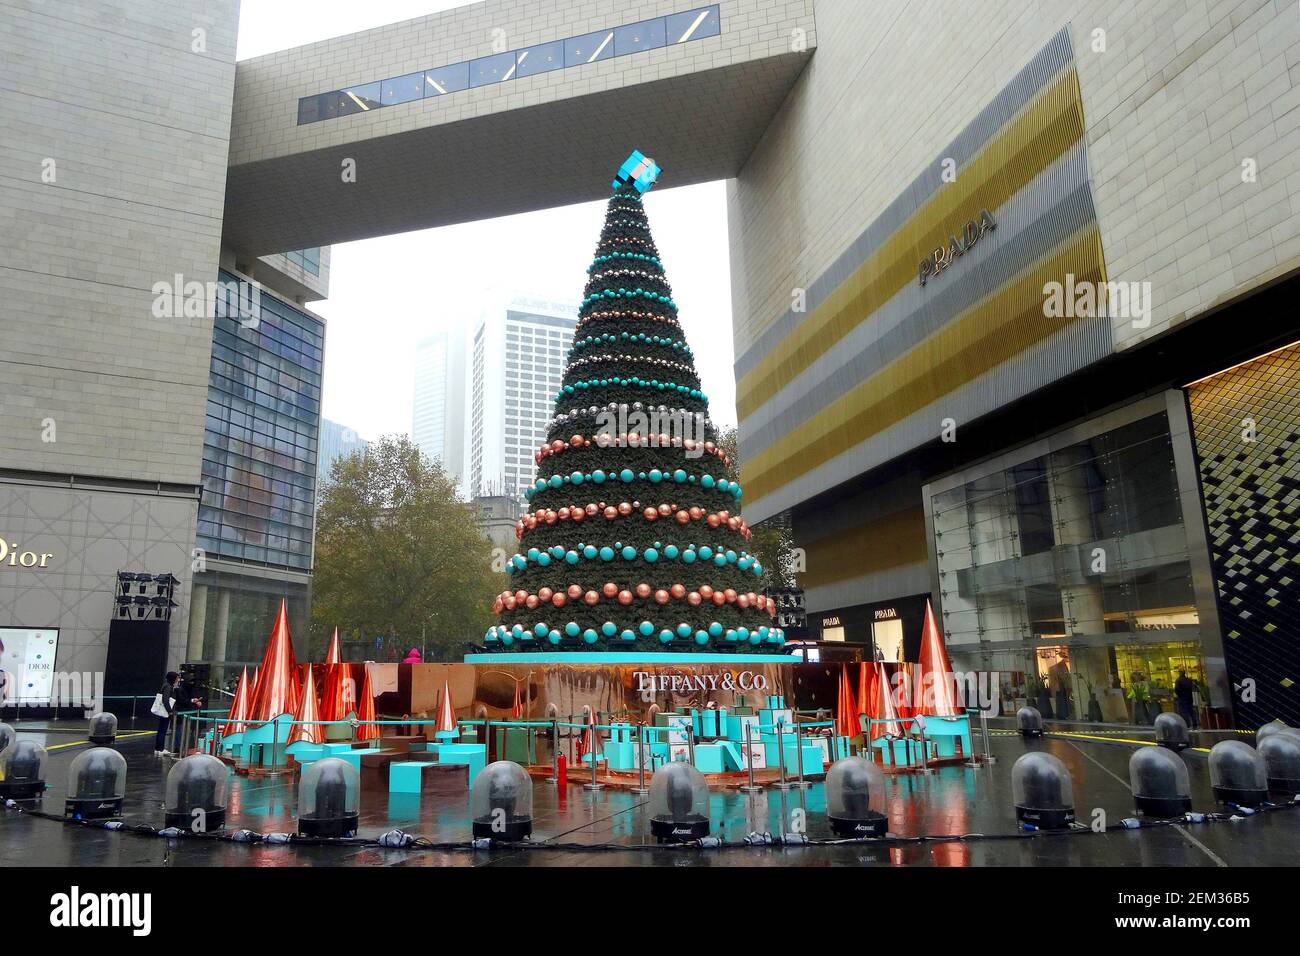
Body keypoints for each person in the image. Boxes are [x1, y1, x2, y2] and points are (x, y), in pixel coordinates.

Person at [154, 671, 181, 754]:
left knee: (161, 730)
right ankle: (160, 749)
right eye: (177, 678)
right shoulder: (168, 687)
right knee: (163, 730)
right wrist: (170, 711)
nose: (178, 680)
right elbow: (165, 700)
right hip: (165, 711)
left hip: (164, 711)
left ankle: (158, 749)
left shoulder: (166, 686)